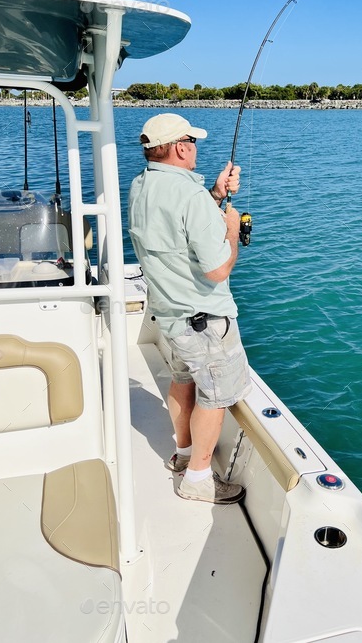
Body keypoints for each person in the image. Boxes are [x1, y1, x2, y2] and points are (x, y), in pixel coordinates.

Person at [128, 113, 252, 504]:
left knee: (183, 380)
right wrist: (230, 229)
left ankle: (182, 455)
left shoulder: (140, 185)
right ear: (181, 147)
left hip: (169, 317)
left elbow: (174, 227)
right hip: (204, 322)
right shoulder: (190, 196)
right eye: (193, 142)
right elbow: (216, 270)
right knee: (214, 397)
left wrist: (215, 195)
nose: (196, 148)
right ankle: (197, 479)